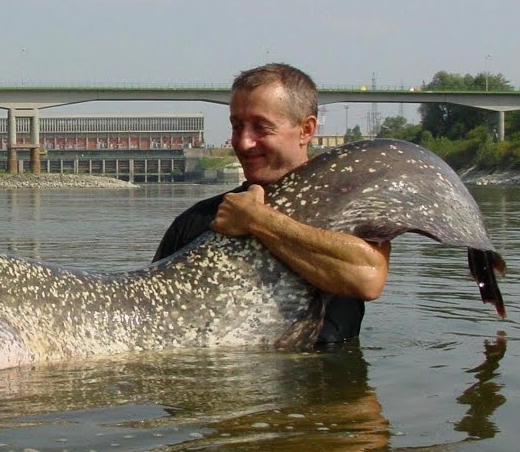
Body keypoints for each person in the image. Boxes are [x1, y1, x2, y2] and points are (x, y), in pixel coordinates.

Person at [152, 63, 391, 345]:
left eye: (261, 127)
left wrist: (256, 219)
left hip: (331, 383)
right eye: (236, 126)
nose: (243, 142)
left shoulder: (348, 208)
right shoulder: (194, 222)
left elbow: (367, 279)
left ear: (306, 129)